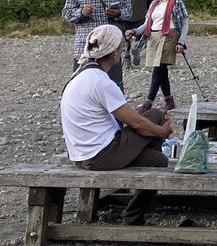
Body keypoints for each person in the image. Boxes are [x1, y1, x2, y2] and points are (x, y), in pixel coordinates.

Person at [60, 24, 173, 225]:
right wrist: (161, 132)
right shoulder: (100, 81)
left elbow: (124, 118)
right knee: (155, 115)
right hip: (100, 154)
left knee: (158, 160)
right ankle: (132, 217)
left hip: (80, 153)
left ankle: (134, 216)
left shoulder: (80, 74)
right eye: (121, 48)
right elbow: (136, 122)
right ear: (113, 54)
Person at [62, 0, 133, 86]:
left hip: (111, 49)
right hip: (86, 48)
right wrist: (81, 13)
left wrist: (117, 13)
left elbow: (129, 12)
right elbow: (66, 14)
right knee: (82, 88)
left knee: (113, 87)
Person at [126, 0, 188, 113]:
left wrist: (181, 42)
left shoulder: (177, 3)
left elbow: (184, 24)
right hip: (153, 36)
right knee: (161, 69)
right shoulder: (154, 3)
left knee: (158, 67)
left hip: (169, 35)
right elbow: (148, 23)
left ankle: (149, 102)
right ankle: (169, 100)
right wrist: (134, 31)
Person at [121, 0, 157, 68]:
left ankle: (126, 55)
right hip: (140, 12)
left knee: (126, 34)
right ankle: (137, 48)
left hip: (125, 13)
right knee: (143, 33)